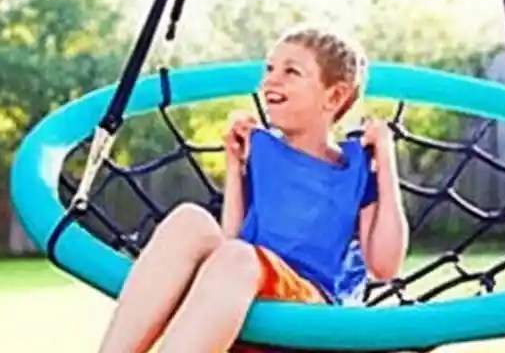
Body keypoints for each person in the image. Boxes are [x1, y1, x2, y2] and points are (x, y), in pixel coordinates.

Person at [96, 25, 409, 353]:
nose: (271, 80)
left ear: (334, 96)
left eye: (291, 71)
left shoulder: (355, 169)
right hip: (245, 296)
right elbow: (233, 240)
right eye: (270, 69)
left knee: (239, 258)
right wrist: (235, 166)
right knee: (190, 221)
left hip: (310, 314)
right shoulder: (262, 151)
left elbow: (384, 267)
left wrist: (385, 158)